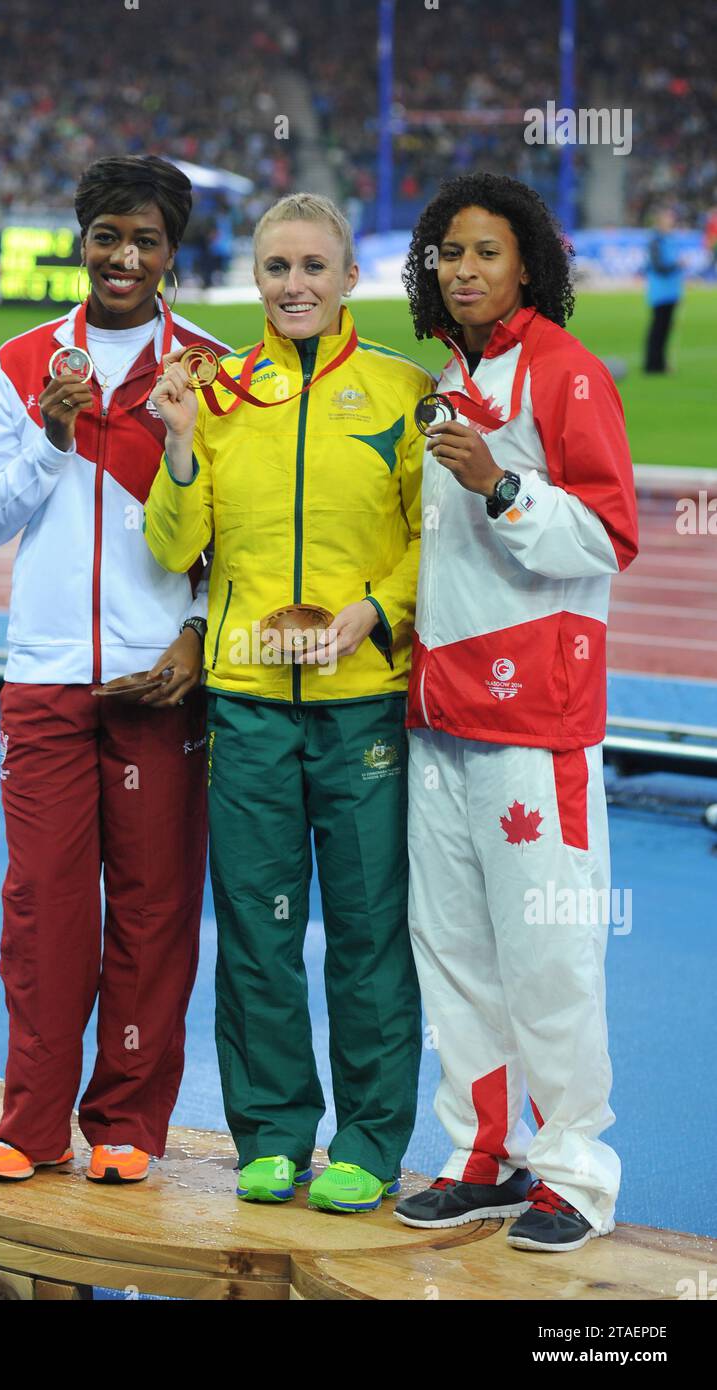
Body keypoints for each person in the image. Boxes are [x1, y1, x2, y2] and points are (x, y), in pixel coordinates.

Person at [144, 193, 431, 1213]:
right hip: (249, 705)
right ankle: (269, 1133)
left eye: (314, 265)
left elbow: (427, 540)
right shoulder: (216, 395)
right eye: (277, 268)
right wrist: (178, 444)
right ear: (254, 279)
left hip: (361, 707)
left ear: (350, 277)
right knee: (259, 931)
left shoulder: (404, 391)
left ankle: (366, 1138)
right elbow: (172, 545)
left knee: (365, 931)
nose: (295, 284)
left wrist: (370, 612)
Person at [0, 155, 226, 1185]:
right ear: (81, 237)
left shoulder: (207, 367)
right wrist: (50, 434)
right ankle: (30, 1125)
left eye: (146, 239)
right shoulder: (24, 358)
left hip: (159, 686)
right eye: (108, 234)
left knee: (156, 912)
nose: (125, 256)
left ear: (172, 252)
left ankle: (126, 1124)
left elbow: (232, 537)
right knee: (44, 910)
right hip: (46, 680)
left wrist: (197, 634)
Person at [395, 173, 638, 1252]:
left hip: (534, 719)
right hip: (440, 714)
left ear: (525, 264)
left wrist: (502, 485)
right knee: (450, 948)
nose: (464, 269)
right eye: (449, 252)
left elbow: (608, 535)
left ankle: (573, 1171)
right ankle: (480, 1154)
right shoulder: (452, 375)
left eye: (485, 252)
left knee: (547, 955)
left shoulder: (565, 372)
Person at [643, 206, 683, 373]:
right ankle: (652, 364)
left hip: (672, 291)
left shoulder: (671, 240)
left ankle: (660, 364)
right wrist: (677, 265)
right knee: (657, 329)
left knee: (666, 329)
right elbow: (658, 266)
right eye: (667, 219)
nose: (670, 222)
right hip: (660, 292)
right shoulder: (656, 241)